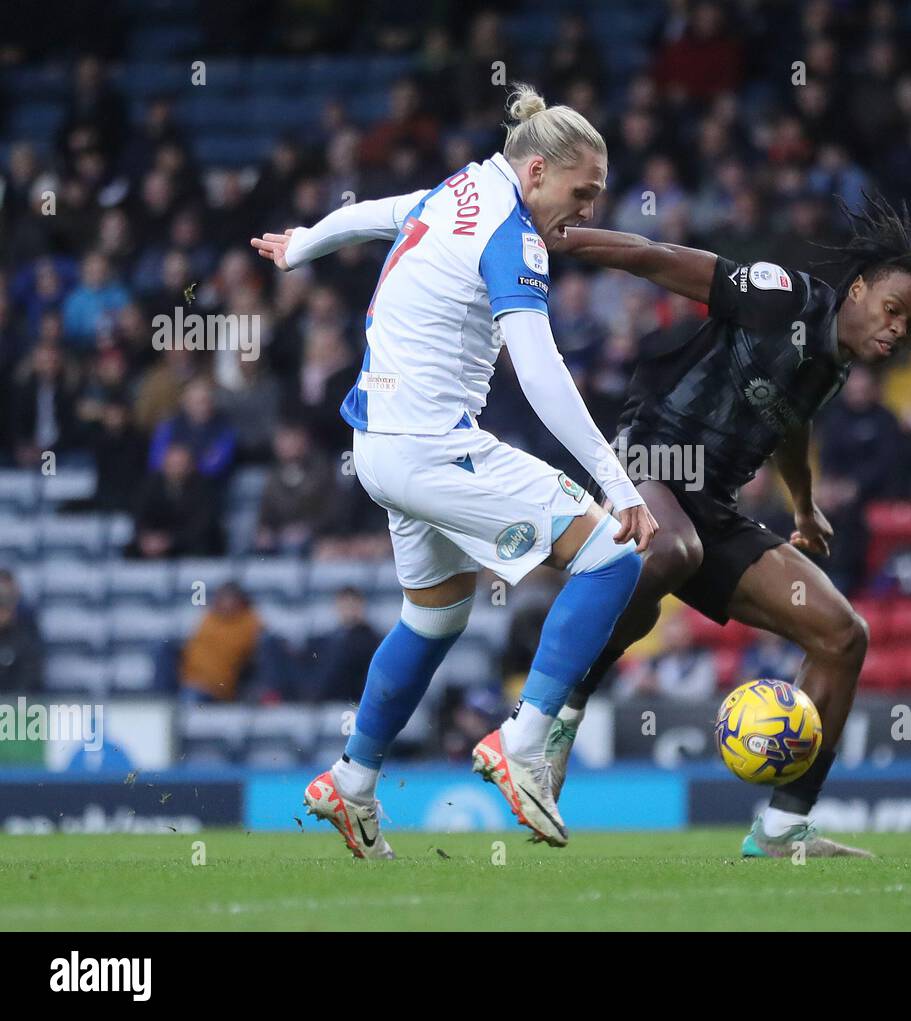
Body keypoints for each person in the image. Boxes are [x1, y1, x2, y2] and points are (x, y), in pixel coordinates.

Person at [251, 84, 655, 856]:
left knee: (436, 616)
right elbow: (540, 374)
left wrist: (302, 245)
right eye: (583, 191)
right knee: (611, 553)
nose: (590, 211)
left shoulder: (460, 188)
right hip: (431, 445)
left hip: (382, 448)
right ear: (537, 171)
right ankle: (523, 740)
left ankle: (353, 780)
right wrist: (619, 481)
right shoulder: (511, 232)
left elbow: (370, 213)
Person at [543, 193, 911, 858]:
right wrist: (564, 239)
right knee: (671, 549)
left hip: (714, 505)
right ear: (861, 288)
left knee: (843, 635)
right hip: (647, 457)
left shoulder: (834, 364)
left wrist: (805, 507)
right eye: (893, 310)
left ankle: (783, 828)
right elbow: (657, 256)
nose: (897, 330)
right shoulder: (779, 295)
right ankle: (561, 710)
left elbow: (790, 422)